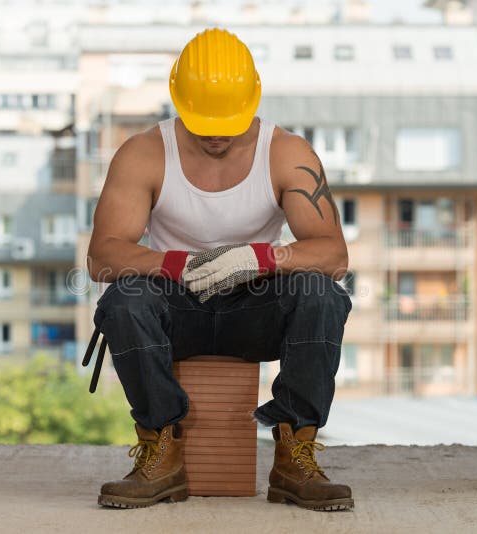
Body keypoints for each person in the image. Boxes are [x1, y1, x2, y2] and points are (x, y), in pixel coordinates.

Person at [87, 27, 353, 511]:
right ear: (178, 100)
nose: (215, 134)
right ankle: (161, 450)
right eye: (203, 120)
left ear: (253, 100)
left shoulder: (286, 152)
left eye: (227, 121)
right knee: (123, 299)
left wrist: (258, 258)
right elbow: (102, 256)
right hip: (174, 312)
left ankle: (295, 456)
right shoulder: (144, 153)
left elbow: (334, 255)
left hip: (256, 310)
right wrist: (179, 265)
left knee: (320, 294)